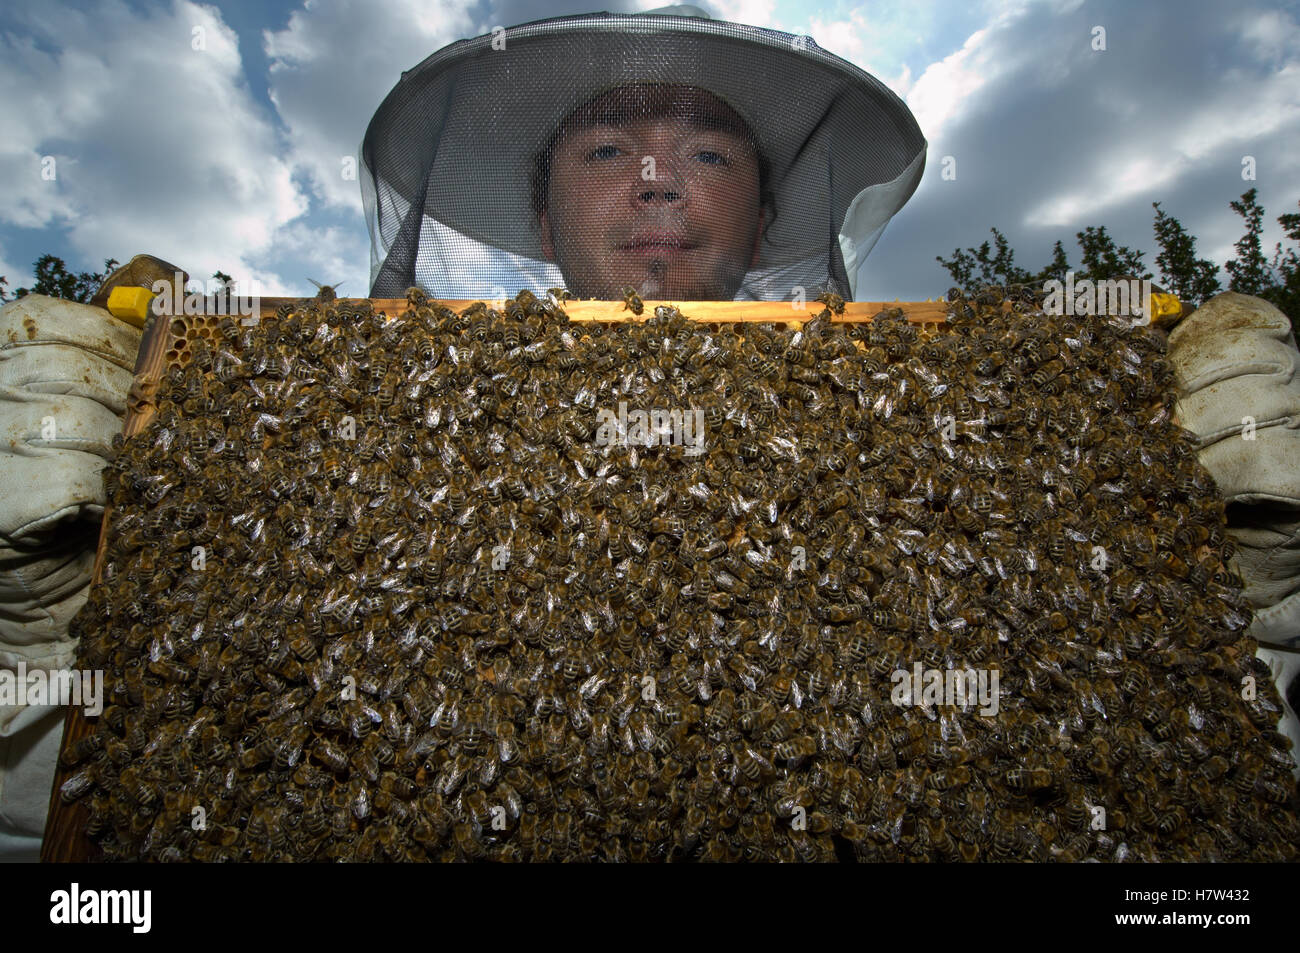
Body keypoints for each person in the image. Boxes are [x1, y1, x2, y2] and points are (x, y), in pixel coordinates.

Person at [1, 5, 1296, 862]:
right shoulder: (313, 434)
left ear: (775, 214)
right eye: (609, 144)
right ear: (542, 217)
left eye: (710, 154)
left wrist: (1212, 595)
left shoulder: (968, 450)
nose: (660, 177)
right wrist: (64, 633)